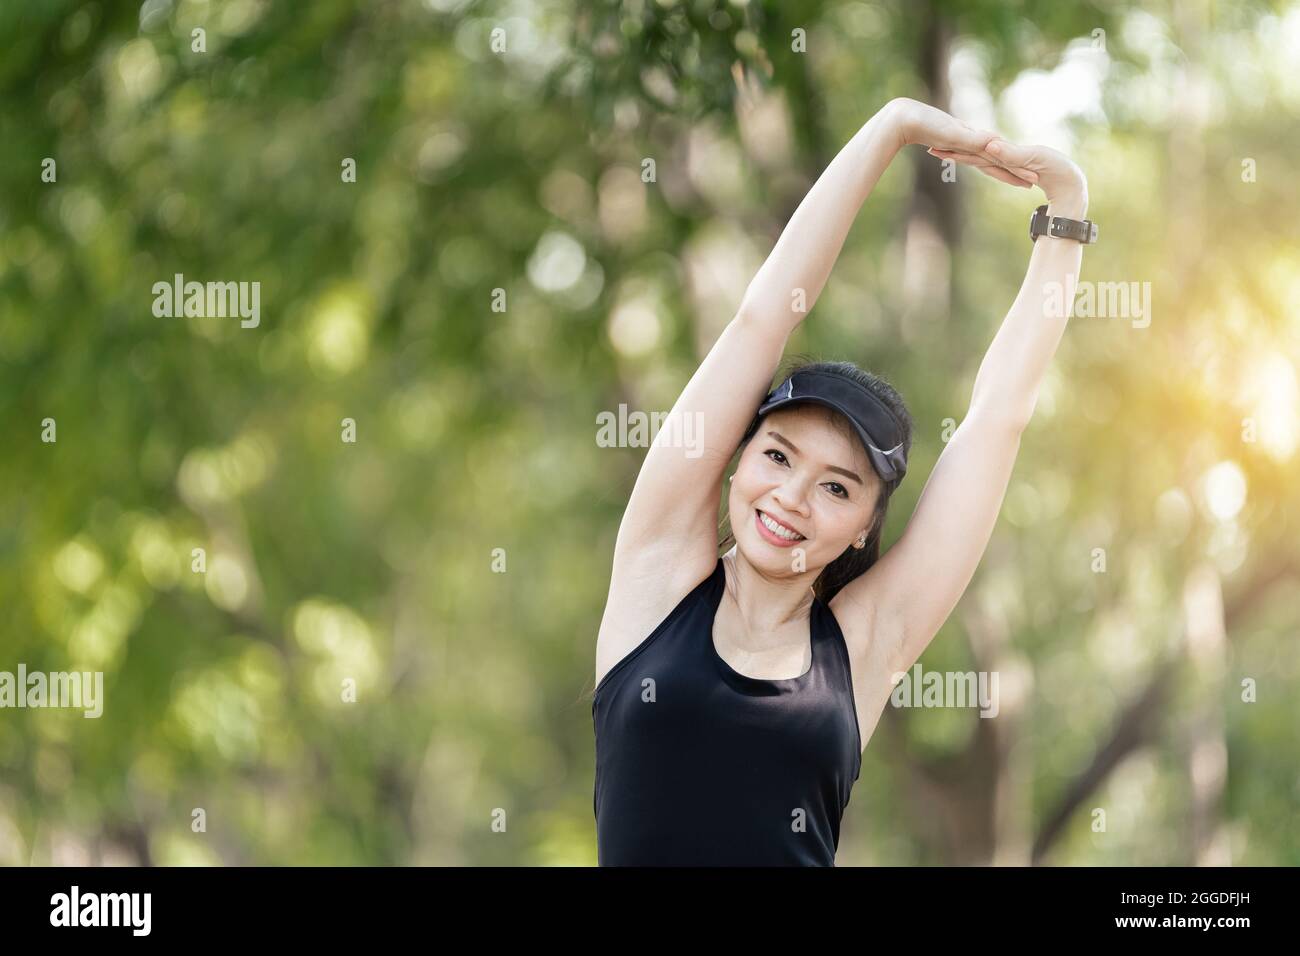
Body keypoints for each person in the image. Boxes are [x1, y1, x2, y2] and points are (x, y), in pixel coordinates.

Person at [591, 97, 1091, 866]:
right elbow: (764, 318)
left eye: (836, 487)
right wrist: (892, 126)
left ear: (863, 525)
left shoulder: (859, 649)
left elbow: (998, 421)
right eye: (779, 457)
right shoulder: (656, 577)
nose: (791, 497)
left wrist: (1066, 213)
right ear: (736, 457)